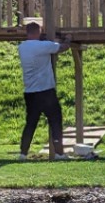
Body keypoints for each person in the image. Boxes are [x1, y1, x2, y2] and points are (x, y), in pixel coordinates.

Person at [17, 19, 71, 160]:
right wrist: (68, 39)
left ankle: (23, 153)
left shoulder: (22, 47)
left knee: (31, 123)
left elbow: (43, 46)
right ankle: (59, 153)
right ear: (39, 32)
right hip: (46, 90)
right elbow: (62, 47)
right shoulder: (44, 46)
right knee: (55, 120)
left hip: (30, 92)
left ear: (27, 33)